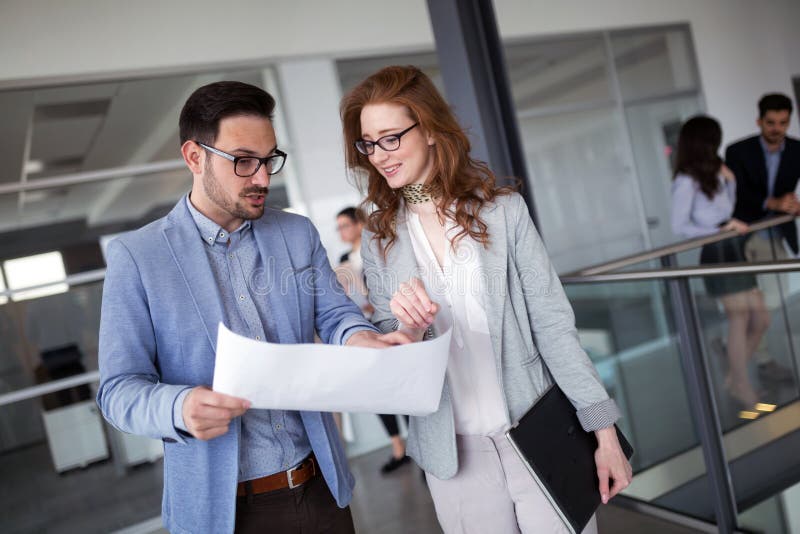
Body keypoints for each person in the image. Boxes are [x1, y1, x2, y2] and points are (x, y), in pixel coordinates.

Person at [96, 81, 410, 534]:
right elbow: (119, 390)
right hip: (225, 514)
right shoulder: (139, 258)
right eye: (243, 161)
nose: (262, 178)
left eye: (269, 161)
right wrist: (179, 407)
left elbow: (335, 314)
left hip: (320, 491)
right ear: (194, 157)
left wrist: (361, 338)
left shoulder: (296, 234)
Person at [340, 65, 631, 533]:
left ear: (430, 129)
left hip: (537, 435)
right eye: (368, 143)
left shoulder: (504, 212)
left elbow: (554, 328)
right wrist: (406, 331)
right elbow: (391, 357)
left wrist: (605, 431)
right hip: (453, 456)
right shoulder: (379, 238)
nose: (379, 155)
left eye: (391, 137)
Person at [671, 115, 770, 412]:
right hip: (716, 252)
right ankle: (740, 383)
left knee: (762, 318)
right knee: (739, 319)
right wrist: (719, 231)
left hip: (734, 248)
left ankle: (733, 375)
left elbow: (728, 209)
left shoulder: (716, 171)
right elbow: (680, 226)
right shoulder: (686, 180)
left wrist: (731, 183)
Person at [725, 93, 800, 385]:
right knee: (758, 306)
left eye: (783, 123)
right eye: (771, 122)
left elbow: (788, 195)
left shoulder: (796, 150)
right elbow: (737, 193)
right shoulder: (738, 151)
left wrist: (792, 206)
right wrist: (773, 203)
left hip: (776, 234)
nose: (776, 129)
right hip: (745, 235)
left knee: (770, 301)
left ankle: (731, 344)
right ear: (759, 121)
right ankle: (762, 361)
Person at [336, 206, 410, 474]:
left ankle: (419, 447)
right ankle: (398, 448)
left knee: (403, 388)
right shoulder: (343, 258)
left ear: (358, 224)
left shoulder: (377, 249)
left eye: (344, 225)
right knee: (380, 393)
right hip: (362, 331)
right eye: (338, 227)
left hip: (387, 326)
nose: (341, 232)